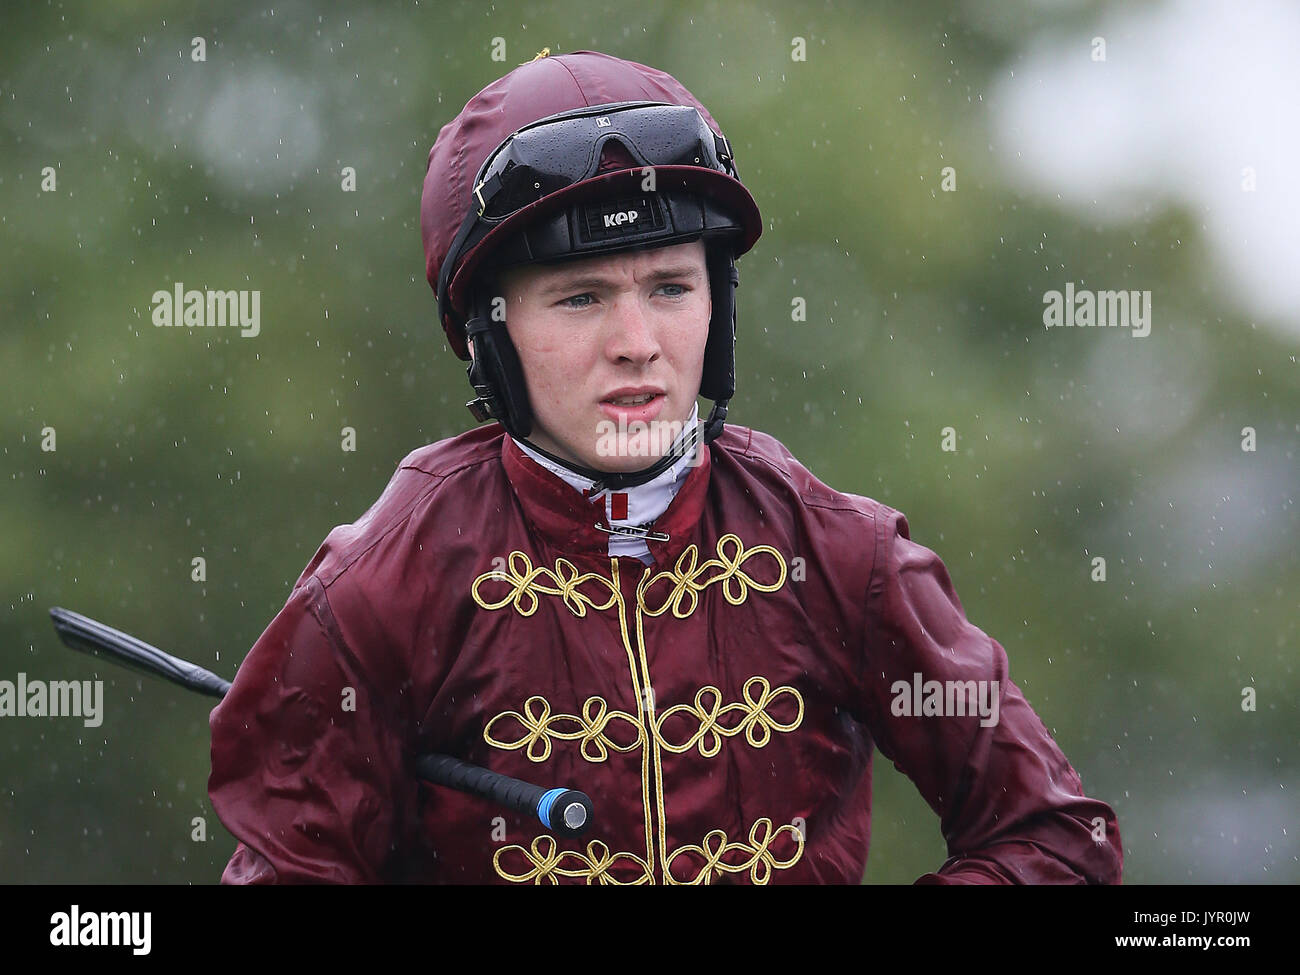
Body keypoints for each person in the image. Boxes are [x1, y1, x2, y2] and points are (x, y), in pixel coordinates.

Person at [207, 49, 1123, 884]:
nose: (637, 344)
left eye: (671, 288)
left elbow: (1058, 844)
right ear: (491, 338)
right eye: (579, 298)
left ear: (717, 310)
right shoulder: (380, 583)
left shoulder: (844, 554)